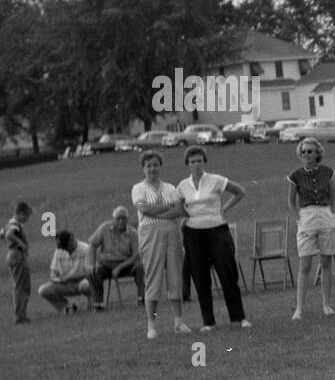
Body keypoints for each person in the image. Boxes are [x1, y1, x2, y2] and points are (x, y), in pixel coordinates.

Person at [178, 145, 250, 331]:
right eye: (193, 162)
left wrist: (223, 209)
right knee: (201, 278)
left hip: (217, 231)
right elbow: (178, 206)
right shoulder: (182, 186)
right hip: (194, 234)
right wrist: (183, 219)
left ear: (204, 162)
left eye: (199, 161)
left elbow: (240, 191)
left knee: (227, 274)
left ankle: (239, 318)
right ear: (188, 164)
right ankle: (208, 322)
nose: (196, 165)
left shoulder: (216, 180)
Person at [132, 148, 190, 339]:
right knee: (153, 277)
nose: (152, 169)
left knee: (175, 276)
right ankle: (152, 325)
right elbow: (144, 209)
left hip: (171, 233)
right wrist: (167, 207)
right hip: (150, 234)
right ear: (143, 168)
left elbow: (180, 211)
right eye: (148, 166)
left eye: (155, 165)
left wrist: (162, 211)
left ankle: (179, 322)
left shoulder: (170, 188)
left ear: (160, 167)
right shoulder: (138, 188)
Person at [287, 136, 335, 320]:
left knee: (326, 262)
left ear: (317, 153)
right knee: (305, 264)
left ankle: (326, 304)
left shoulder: (327, 172)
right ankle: (299, 308)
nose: (306, 155)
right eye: (303, 152)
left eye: (310, 151)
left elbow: (333, 195)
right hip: (306, 216)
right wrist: (297, 218)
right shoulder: (295, 176)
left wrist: (332, 213)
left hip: (325, 215)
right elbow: (291, 201)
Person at [87, 206, 144, 308]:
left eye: (124, 218)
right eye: (118, 218)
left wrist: (120, 267)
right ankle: (98, 304)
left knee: (140, 267)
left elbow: (136, 255)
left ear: (127, 219)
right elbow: (92, 243)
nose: (121, 221)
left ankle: (142, 299)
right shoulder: (104, 228)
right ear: (114, 219)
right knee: (92, 272)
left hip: (127, 265)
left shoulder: (133, 234)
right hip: (107, 264)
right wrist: (91, 263)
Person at [38, 229, 94, 314]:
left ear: (72, 239)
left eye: (66, 246)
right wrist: (56, 279)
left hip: (82, 282)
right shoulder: (59, 251)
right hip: (65, 284)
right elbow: (54, 271)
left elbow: (91, 273)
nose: (65, 250)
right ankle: (68, 307)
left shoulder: (86, 249)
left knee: (87, 284)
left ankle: (92, 304)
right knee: (43, 290)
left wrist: (70, 278)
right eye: (62, 247)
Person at [5, 200, 33, 324]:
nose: (27, 219)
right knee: (22, 287)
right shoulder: (15, 223)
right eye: (27, 216)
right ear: (21, 213)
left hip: (11, 255)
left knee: (19, 285)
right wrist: (21, 244)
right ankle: (20, 316)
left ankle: (20, 314)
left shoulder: (8, 223)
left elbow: (2, 233)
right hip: (17, 256)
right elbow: (9, 235)